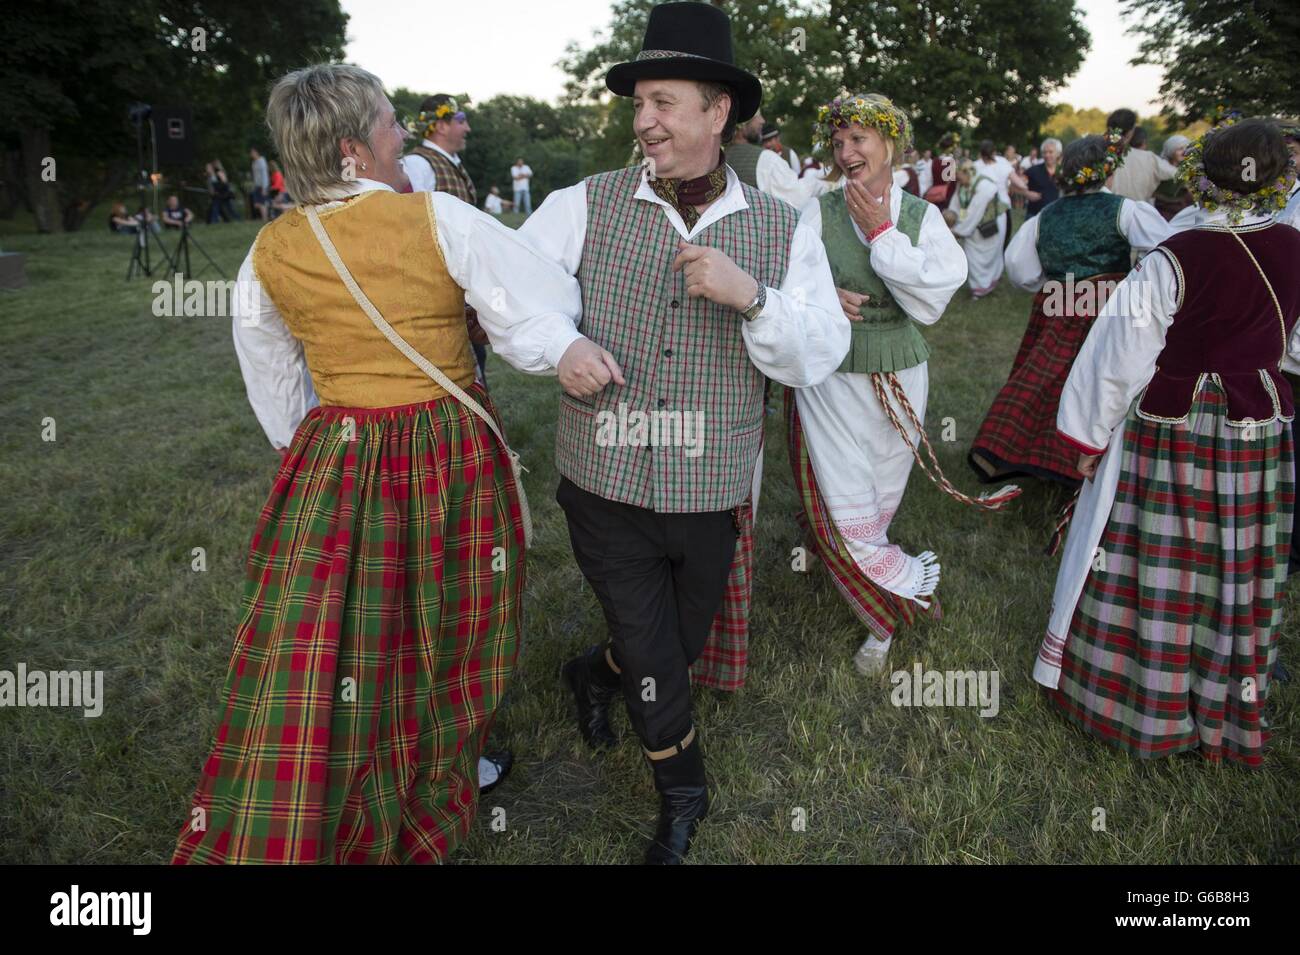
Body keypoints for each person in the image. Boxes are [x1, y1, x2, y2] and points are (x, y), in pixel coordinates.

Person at [172, 63, 582, 864]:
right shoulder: (439, 219)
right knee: (455, 617)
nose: (406, 139)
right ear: (357, 150)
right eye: (394, 125)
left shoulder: (270, 248)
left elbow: (272, 374)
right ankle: (439, 769)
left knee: (351, 629)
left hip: (335, 453)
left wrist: (321, 450)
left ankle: (345, 773)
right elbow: (541, 304)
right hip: (445, 445)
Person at [519, 1, 848, 864]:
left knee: (677, 640)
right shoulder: (584, 202)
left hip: (712, 484)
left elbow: (820, 348)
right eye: (638, 105)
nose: (644, 122)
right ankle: (683, 794)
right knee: (657, 650)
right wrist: (561, 341)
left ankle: (593, 672)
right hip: (602, 478)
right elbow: (508, 288)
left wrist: (753, 297)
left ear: (718, 111)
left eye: (663, 102)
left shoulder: (783, 224)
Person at [1034, 117, 1300, 765]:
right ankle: (1225, 689)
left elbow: (1119, 355)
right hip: (1258, 424)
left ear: (1204, 178)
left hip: (1175, 427)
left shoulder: (1176, 256)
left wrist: (1087, 435)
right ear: (1280, 178)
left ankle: (1147, 699)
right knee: (1235, 554)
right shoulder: (1295, 247)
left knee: (1162, 557)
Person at [792, 93, 997, 677]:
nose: (846, 151)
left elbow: (932, 297)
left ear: (890, 145)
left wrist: (882, 232)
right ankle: (880, 614)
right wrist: (824, 297)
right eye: (838, 142)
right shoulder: (819, 209)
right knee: (841, 487)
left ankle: (864, 573)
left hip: (902, 367)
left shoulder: (920, 216)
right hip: (834, 370)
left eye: (858, 139)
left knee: (883, 482)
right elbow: (789, 282)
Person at [969, 133, 1171, 488]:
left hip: (1057, 309)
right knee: (1103, 382)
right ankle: (1092, 463)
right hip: (1109, 312)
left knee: (1048, 382)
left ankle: (1040, 455)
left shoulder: (1045, 216)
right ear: (1109, 173)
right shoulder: (1126, 210)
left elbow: (1021, 271)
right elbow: (1166, 254)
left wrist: (1058, 284)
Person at [400, 95, 491, 386]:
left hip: (462, 282)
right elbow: (410, 226)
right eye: (461, 121)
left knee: (475, 353)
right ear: (441, 125)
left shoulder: (451, 162)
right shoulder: (418, 164)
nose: (468, 128)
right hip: (436, 283)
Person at [726, 107, 831, 207]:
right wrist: (829, 185)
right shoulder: (766, 160)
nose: (762, 121)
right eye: (756, 115)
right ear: (743, 123)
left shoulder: (721, 158)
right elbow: (797, 197)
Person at [947, 158, 1007, 297]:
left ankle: (984, 285)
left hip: (991, 224)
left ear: (967, 173)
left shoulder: (985, 186)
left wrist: (958, 231)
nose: (956, 179)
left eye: (958, 175)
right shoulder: (962, 184)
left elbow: (975, 211)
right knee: (972, 254)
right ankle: (979, 286)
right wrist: (951, 219)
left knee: (988, 254)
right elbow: (956, 203)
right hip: (972, 223)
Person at [1110, 116, 1177, 203]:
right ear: (1144, 142)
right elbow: (1176, 174)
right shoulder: (1150, 158)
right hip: (1140, 209)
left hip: (1113, 208)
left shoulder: (1112, 156)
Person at [1023, 138, 1061, 217]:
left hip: (1058, 215)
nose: (1047, 155)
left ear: (1058, 153)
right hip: (1035, 215)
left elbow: (1080, 181)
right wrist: (1027, 193)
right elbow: (1014, 185)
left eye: (1051, 152)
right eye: (1044, 152)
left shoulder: (1064, 171)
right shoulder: (1033, 171)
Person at [925, 133, 959, 206]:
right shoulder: (951, 162)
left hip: (933, 194)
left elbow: (928, 180)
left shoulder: (934, 161)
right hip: (945, 196)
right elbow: (950, 181)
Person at [249, 147, 269, 220]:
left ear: (256, 152)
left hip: (262, 185)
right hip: (257, 185)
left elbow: (264, 175)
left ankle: (265, 219)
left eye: (252, 152)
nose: (251, 154)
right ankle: (263, 218)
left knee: (262, 202)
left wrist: (264, 187)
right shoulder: (254, 163)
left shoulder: (261, 161)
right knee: (257, 204)